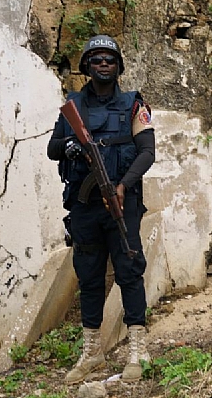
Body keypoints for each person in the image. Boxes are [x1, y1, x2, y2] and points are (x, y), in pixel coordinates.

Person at [47, 34, 155, 384]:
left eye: (109, 58)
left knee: (129, 268)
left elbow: (147, 151)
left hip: (123, 202)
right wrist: (70, 147)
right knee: (89, 274)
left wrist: (122, 186)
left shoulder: (135, 105)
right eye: (96, 59)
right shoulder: (73, 106)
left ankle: (137, 347)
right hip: (83, 204)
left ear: (118, 66)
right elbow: (52, 148)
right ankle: (92, 351)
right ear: (87, 67)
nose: (103, 64)